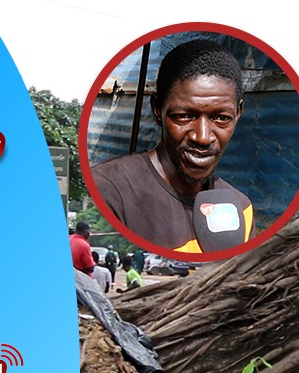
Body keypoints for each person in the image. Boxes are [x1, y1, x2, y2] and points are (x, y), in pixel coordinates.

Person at [91, 39, 254, 253]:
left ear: (238, 114)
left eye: (221, 118)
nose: (203, 137)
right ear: (157, 110)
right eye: (183, 116)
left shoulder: (241, 209)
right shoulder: (109, 191)